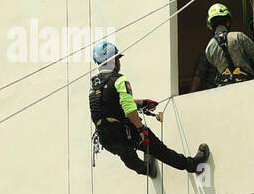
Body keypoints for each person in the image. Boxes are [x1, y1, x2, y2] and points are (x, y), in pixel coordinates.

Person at [89, 41, 210, 178]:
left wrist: (141, 103)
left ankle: (146, 169)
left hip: (105, 137)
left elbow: (110, 105)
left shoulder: (94, 85)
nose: (119, 62)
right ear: (113, 60)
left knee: (126, 154)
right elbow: (128, 108)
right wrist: (141, 129)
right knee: (160, 150)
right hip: (125, 131)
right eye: (117, 58)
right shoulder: (119, 80)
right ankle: (192, 165)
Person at [204, 3, 254, 85]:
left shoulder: (209, 47)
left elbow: (214, 65)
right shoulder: (238, 36)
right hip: (247, 84)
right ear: (228, 23)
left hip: (226, 87)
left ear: (211, 25)